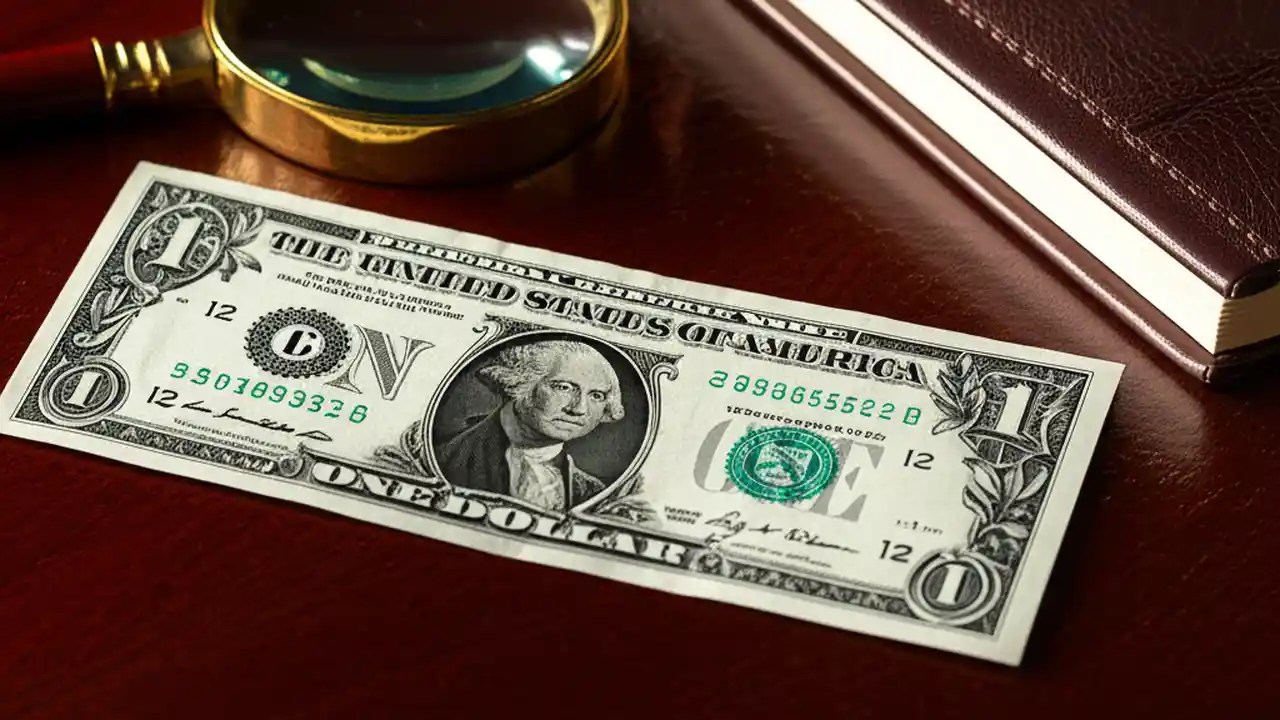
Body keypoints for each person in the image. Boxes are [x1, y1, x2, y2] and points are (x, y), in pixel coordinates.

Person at [437, 339, 625, 512]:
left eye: (596, 396)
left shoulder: (592, 491)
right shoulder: (443, 456)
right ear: (520, 384)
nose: (579, 409)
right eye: (563, 387)